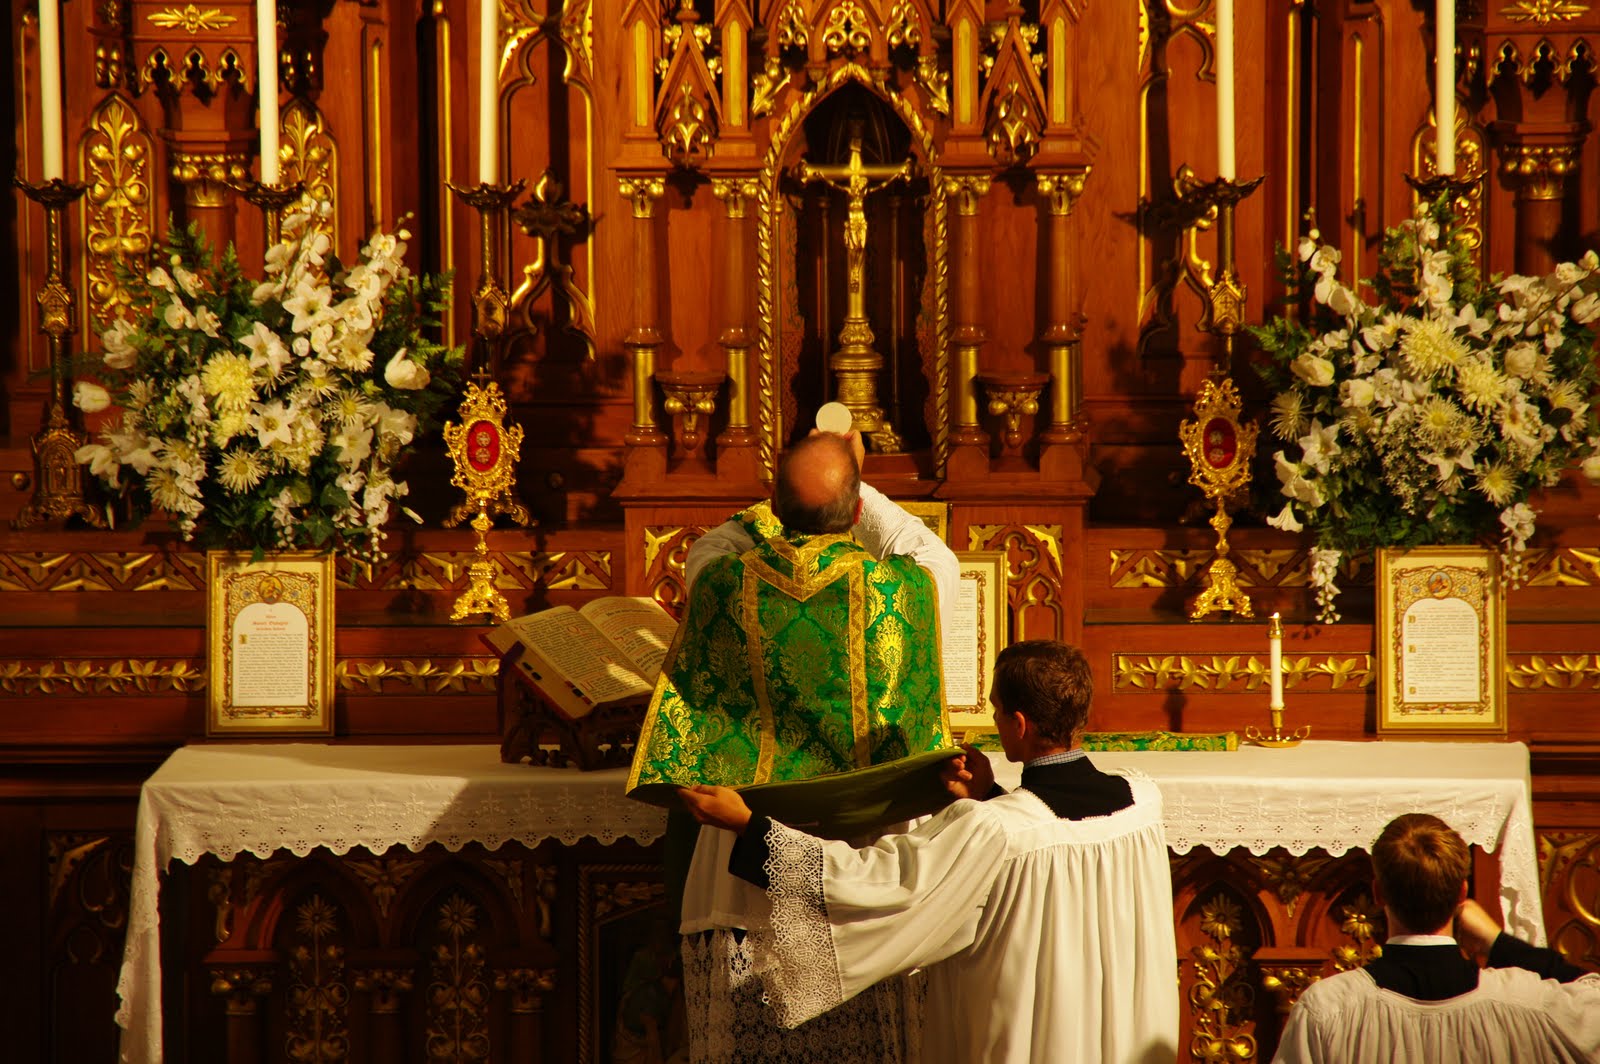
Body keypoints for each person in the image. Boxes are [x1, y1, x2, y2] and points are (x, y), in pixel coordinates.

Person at [679, 640, 1181, 1064]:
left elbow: (879, 883)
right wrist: (989, 795)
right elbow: (1055, 857)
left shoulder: (993, 830)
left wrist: (746, 824)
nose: (995, 720)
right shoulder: (1142, 802)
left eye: (997, 711)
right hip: (1116, 1033)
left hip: (1037, 1038)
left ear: (1020, 724)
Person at [627, 428, 960, 1063]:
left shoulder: (724, 582)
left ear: (776, 506)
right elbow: (927, 548)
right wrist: (856, 481)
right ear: (858, 504)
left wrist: (775, 501)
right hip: (862, 850)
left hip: (746, 839)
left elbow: (709, 546)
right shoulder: (908, 587)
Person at [1272, 812, 1600, 1063]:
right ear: (1462, 893)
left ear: (1377, 894)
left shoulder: (1328, 1009)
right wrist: (1498, 942)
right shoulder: (1526, 1001)